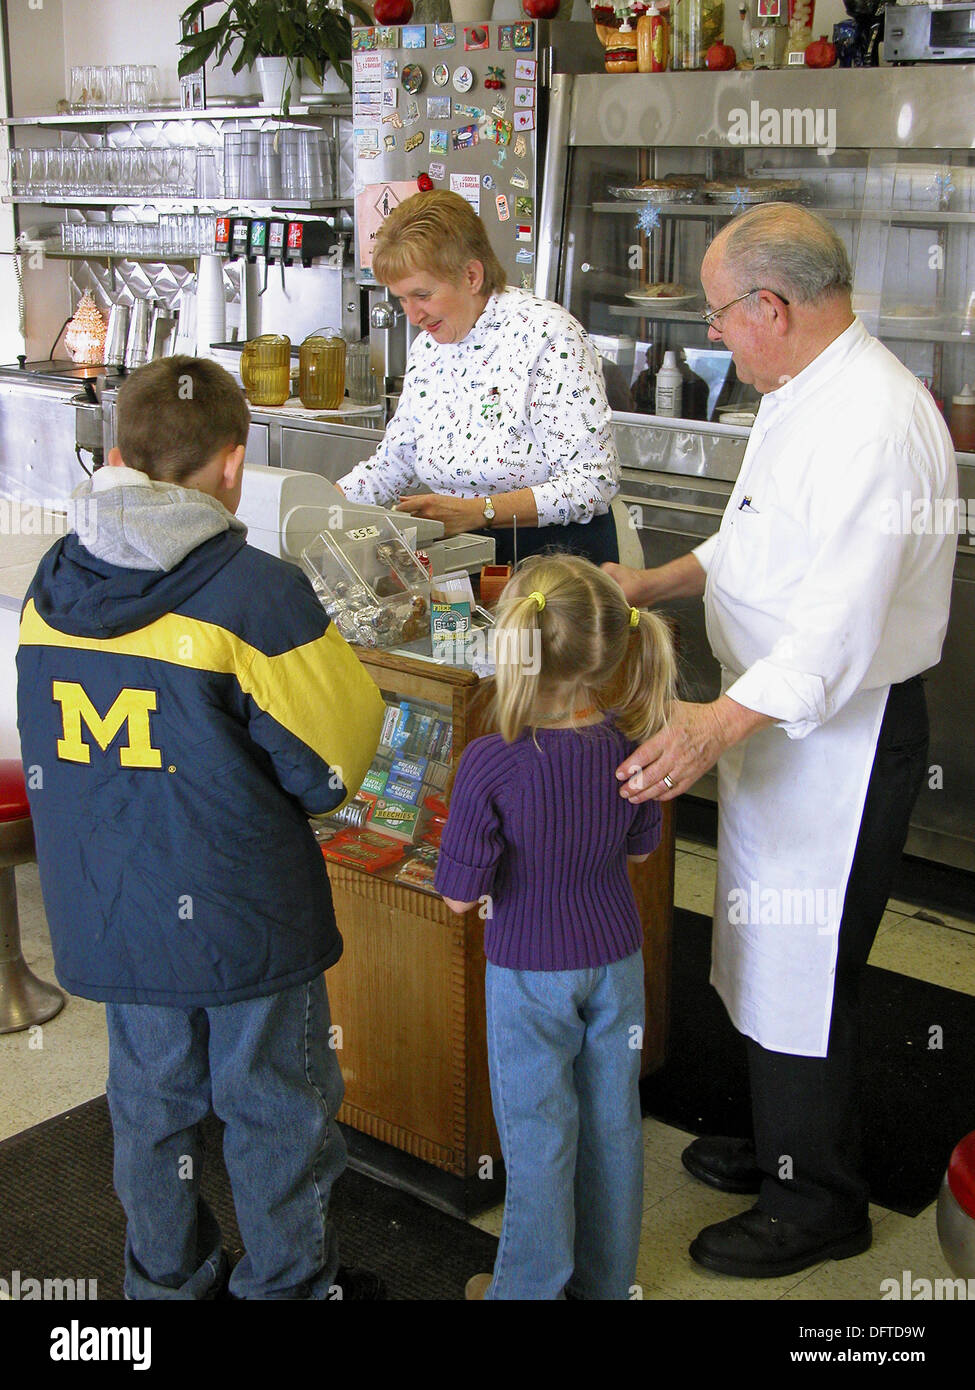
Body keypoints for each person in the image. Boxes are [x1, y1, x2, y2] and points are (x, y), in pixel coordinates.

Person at [606, 203, 958, 1278]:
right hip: (772, 724)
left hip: (840, 740)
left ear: (773, 305)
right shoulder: (797, 390)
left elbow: (836, 633)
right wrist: (654, 581)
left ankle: (821, 1202)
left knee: (806, 961)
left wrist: (714, 721)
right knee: (760, 942)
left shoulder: (879, 423)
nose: (715, 336)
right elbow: (752, 537)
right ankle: (778, 1144)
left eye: (719, 315)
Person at [16, 355, 386, 1300]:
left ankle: (166, 1286)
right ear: (233, 463)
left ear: (122, 451)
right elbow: (334, 767)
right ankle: (287, 1289)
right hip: (243, 915)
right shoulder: (256, 593)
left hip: (110, 910)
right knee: (274, 1110)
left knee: (150, 1105)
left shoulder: (49, 587)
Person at [433, 554, 677, 1299]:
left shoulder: (490, 762)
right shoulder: (630, 743)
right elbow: (641, 845)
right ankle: (605, 1286)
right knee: (611, 1124)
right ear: (607, 646)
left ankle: (525, 1292)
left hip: (529, 968)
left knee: (540, 1137)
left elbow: (455, 898)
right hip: (616, 956)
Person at [336, 190, 622, 567]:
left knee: (524, 632)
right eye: (401, 299)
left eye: (421, 295)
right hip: (463, 558)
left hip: (554, 566)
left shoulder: (548, 336)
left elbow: (593, 483)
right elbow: (396, 462)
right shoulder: (429, 348)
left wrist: (479, 511)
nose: (413, 314)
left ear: (471, 275)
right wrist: (314, 505)